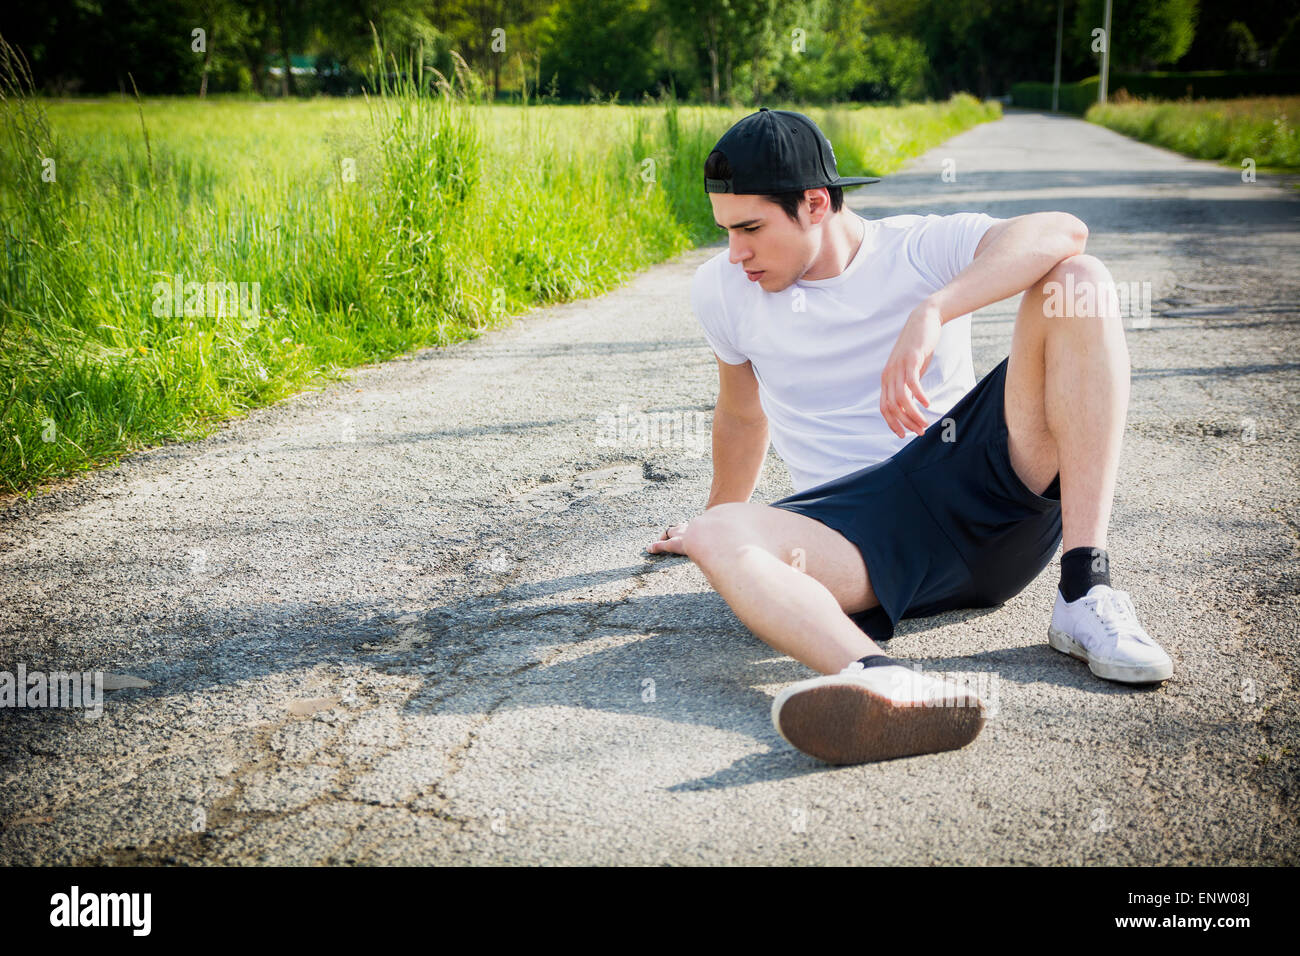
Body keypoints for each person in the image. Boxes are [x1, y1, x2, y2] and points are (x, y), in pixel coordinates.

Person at [645, 107, 1173, 766]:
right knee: (717, 532)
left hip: (985, 491)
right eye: (725, 231)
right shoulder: (722, 291)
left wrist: (933, 309)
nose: (736, 253)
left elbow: (1063, 229)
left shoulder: (916, 247)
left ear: (815, 204)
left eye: (750, 228)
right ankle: (882, 680)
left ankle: (1084, 590)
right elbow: (742, 415)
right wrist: (714, 513)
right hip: (860, 539)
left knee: (1079, 281)